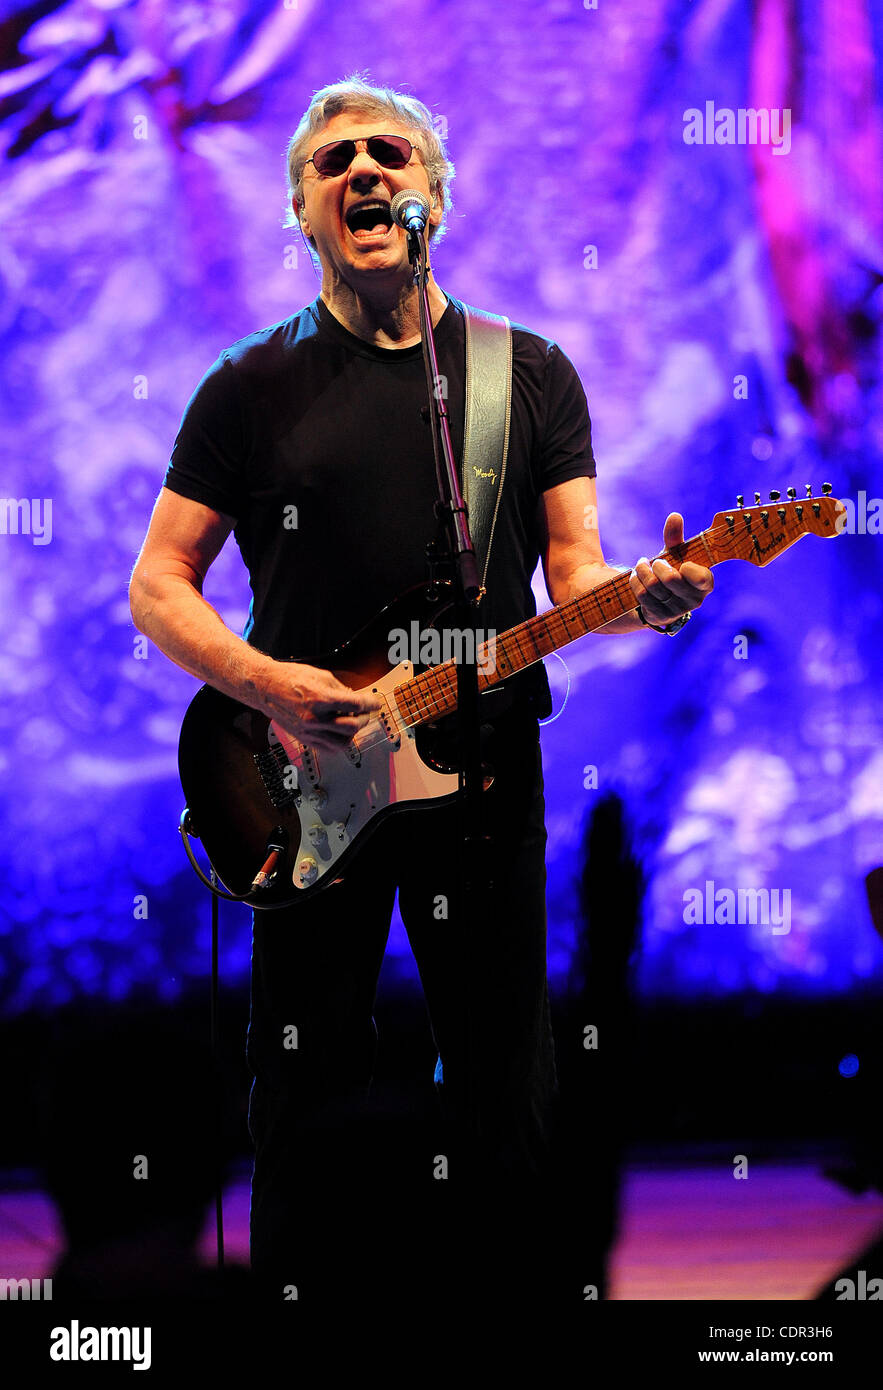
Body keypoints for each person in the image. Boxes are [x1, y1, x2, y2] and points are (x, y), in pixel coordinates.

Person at [129, 76, 713, 1305]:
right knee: (304, 1092)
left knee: (510, 1093)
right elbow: (159, 587)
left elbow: (575, 574)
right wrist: (266, 680)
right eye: (331, 162)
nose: (362, 173)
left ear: (433, 195)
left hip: (487, 770)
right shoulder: (246, 387)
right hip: (301, 783)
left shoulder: (528, 375)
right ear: (301, 209)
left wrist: (642, 591)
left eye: (388, 154)